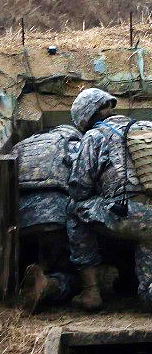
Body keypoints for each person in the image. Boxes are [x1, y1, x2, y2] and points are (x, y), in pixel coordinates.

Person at [66, 88, 152, 325]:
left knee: (74, 209)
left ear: (85, 118)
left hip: (129, 215)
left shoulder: (94, 136)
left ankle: (91, 291)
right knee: (147, 292)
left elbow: (79, 188)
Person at [13, 122, 90, 312]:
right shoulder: (73, 144)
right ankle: (48, 285)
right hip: (55, 218)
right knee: (74, 274)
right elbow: (84, 182)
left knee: (25, 260)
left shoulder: (21, 146)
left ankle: (25, 281)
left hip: (18, 219)